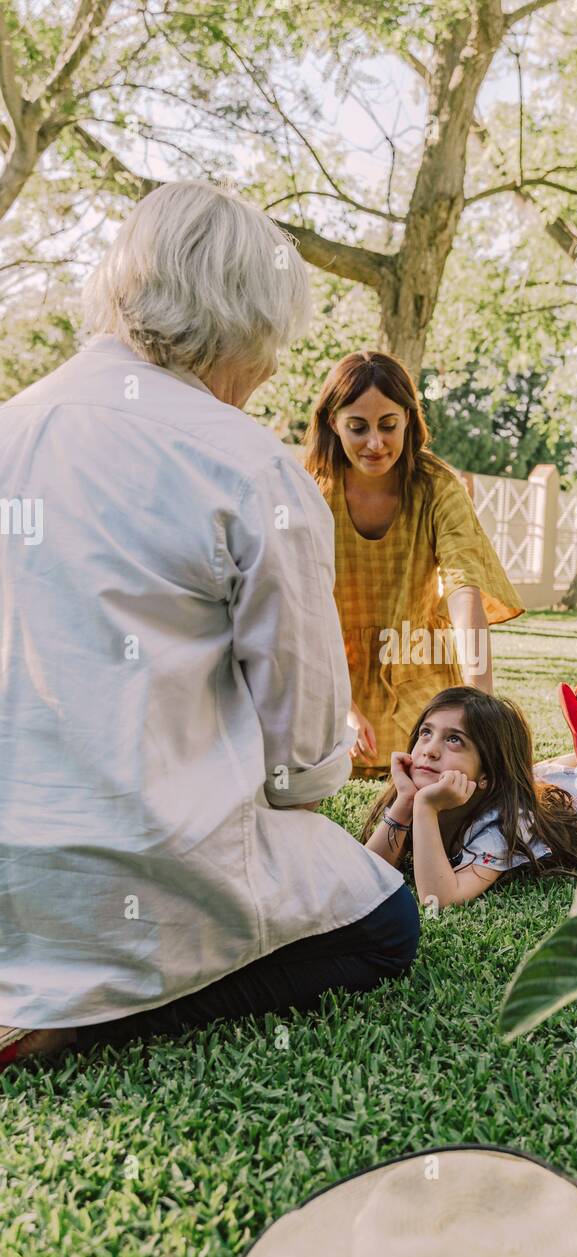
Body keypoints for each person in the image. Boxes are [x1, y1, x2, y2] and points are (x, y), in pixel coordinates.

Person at [0, 180, 418, 1071]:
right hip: (129, 881)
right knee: (388, 923)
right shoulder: (250, 467)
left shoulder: (11, 426)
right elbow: (300, 771)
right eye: (272, 345)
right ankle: (80, 1018)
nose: (268, 370)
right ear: (245, 324)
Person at [303, 350, 525, 779]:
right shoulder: (309, 491)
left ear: (408, 418)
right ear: (333, 422)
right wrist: (343, 707)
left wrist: (481, 705)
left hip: (416, 665)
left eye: (388, 425)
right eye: (357, 427)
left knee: (463, 768)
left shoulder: (437, 486)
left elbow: (463, 587)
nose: (375, 443)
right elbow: (300, 609)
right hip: (329, 669)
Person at [359, 685, 577, 908]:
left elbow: (438, 899)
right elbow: (365, 874)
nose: (429, 748)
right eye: (426, 733)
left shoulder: (501, 826)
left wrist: (425, 807)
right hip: (537, 786)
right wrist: (404, 802)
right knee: (535, 778)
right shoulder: (461, 786)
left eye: (454, 740)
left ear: (487, 775)